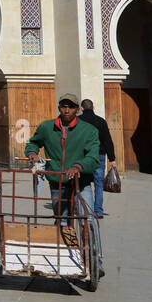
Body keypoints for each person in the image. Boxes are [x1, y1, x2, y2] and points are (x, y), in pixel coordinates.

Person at [24, 92, 100, 228]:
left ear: (77, 110)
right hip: (57, 182)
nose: (66, 110)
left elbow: (93, 157)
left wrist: (78, 166)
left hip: (81, 183)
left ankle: (92, 248)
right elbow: (33, 143)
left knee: (87, 221)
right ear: (59, 108)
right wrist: (32, 153)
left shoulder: (89, 130)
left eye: (71, 107)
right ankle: (65, 247)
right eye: (63, 107)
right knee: (62, 221)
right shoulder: (47, 127)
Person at [79, 99, 116, 219]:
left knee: (82, 183)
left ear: (81, 108)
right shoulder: (101, 121)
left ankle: (83, 209)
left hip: (83, 156)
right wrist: (112, 159)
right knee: (98, 184)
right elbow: (107, 141)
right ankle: (98, 211)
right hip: (99, 155)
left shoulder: (78, 121)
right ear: (93, 107)